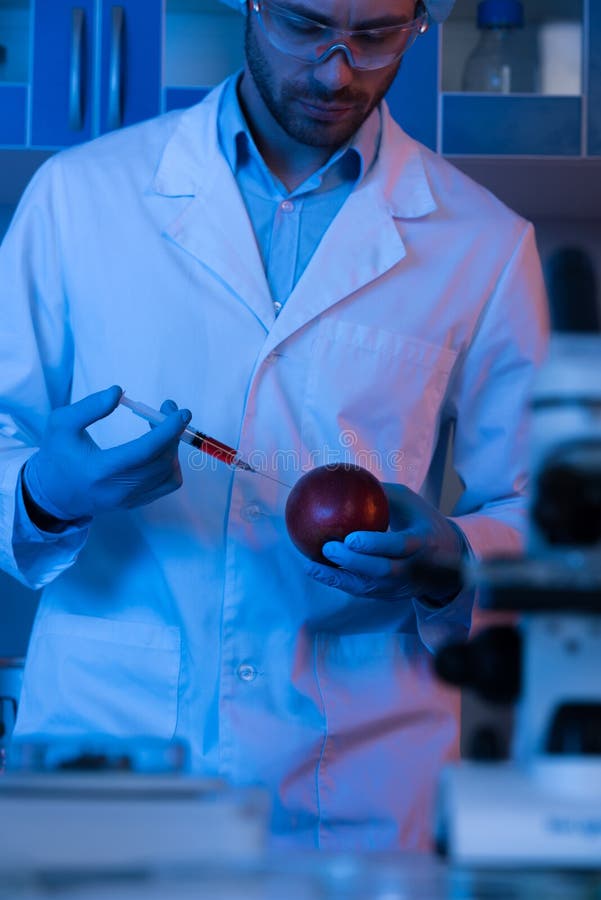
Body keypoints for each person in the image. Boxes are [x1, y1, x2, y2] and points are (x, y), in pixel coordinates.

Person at [0, 0, 548, 851]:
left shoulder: (481, 241)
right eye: (303, 26)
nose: (337, 71)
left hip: (357, 773)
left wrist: (451, 556)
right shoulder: (80, 198)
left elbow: (540, 515)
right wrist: (46, 491)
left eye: (375, 37)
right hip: (114, 740)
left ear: (421, 20)